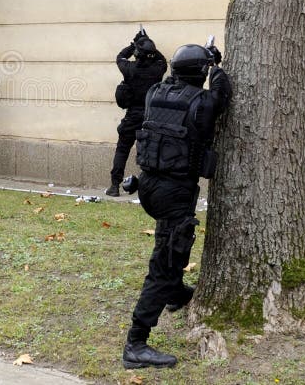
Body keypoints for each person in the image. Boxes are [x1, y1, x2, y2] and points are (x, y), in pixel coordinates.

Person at [121, 42, 232, 369]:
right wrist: (216, 65)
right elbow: (222, 93)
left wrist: (203, 63)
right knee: (166, 262)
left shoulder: (155, 92)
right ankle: (136, 343)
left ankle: (176, 293)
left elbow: (182, 86)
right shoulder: (202, 102)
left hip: (148, 186)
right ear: (199, 73)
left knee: (168, 248)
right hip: (174, 191)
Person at [106, 30, 167, 197]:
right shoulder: (157, 70)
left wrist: (134, 44)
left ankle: (114, 186)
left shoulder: (129, 69)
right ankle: (152, 189)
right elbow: (162, 59)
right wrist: (148, 43)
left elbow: (120, 57)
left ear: (137, 54)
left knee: (122, 149)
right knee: (152, 152)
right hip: (151, 116)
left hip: (133, 115)